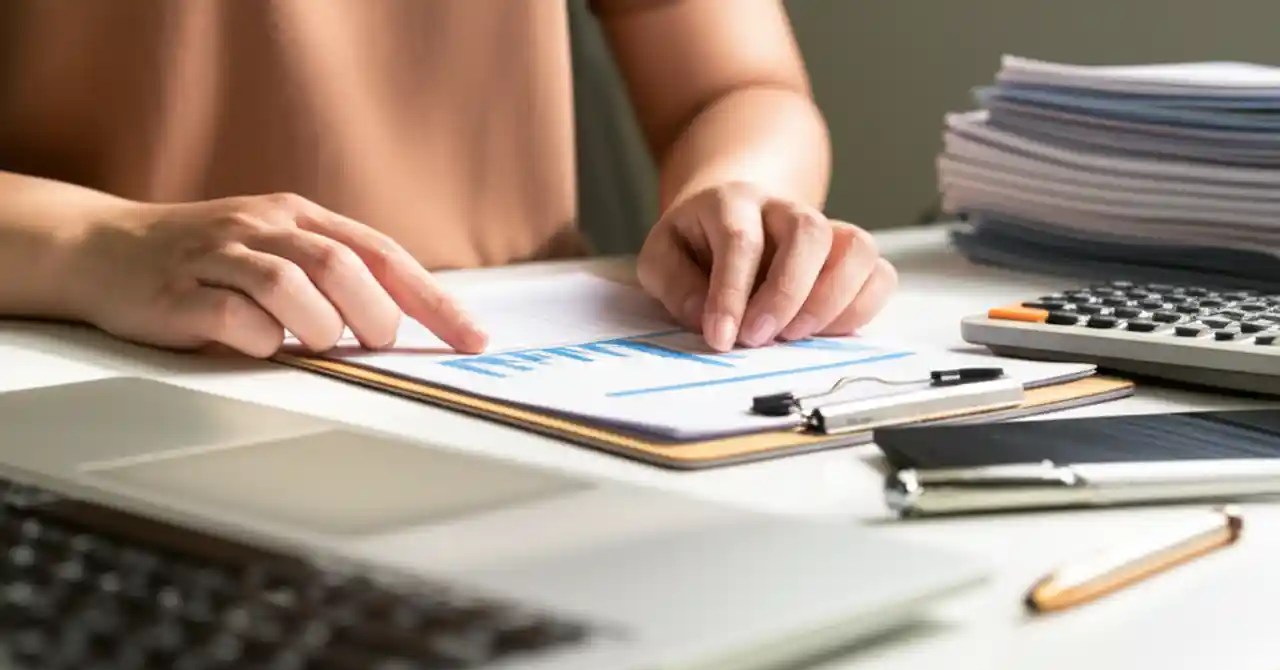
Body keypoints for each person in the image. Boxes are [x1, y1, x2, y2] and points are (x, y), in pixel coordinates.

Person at [0, 0, 896, 359]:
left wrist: (737, 192)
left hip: (521, 384)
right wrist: (94, 241)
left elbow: (737, 89)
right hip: (92, 365)